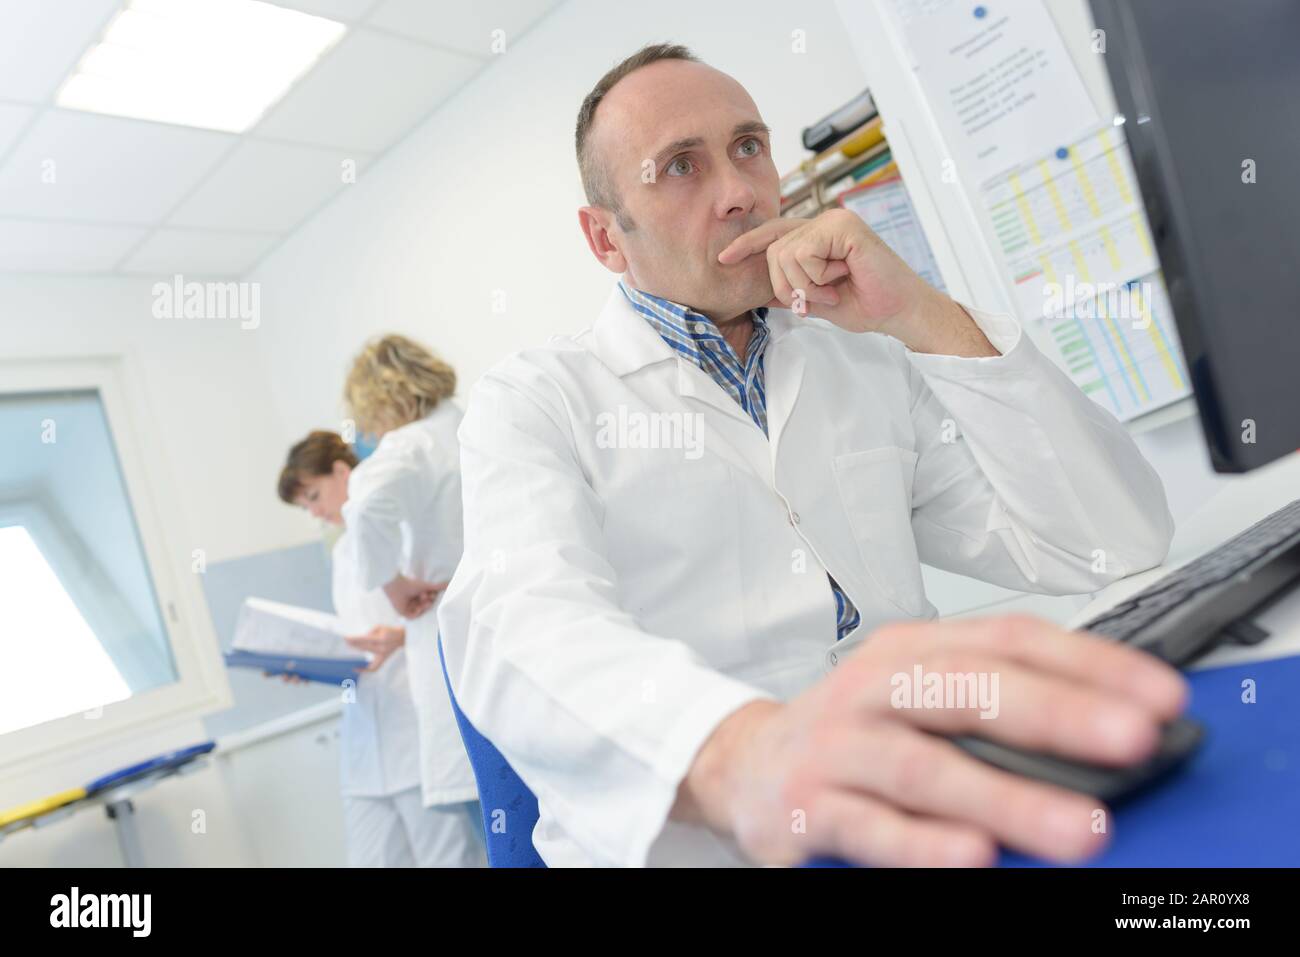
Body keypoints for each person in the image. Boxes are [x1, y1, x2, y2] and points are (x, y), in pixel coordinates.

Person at [436, 44, 1187, 867]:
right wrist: (741, 751)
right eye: (681, 166)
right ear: (605, 238)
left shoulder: (860, 354)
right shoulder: (537, 400)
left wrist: (926, 315)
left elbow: (1110, 539)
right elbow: (525, 627)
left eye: (748, 148)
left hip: (916, 800)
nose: (739, 194)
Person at [277, 430, 482, 867]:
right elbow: (355, 632)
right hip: (365, 745)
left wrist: (401, 638)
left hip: (412, 725)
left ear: (341, 469)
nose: (315, 512)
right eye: (305, 507)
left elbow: (438, 614)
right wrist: (309, 660)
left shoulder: (404, 530)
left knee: (446, 860)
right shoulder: (342, 553)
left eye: (314, 495)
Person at [340, 335, 483, 862]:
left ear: (384, 399)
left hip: (448, 629)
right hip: (502, 618)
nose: (373, 434)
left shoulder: (410, 445)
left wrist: (392, 583)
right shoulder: (474, 423)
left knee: (494, 826)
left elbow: (364, 509)